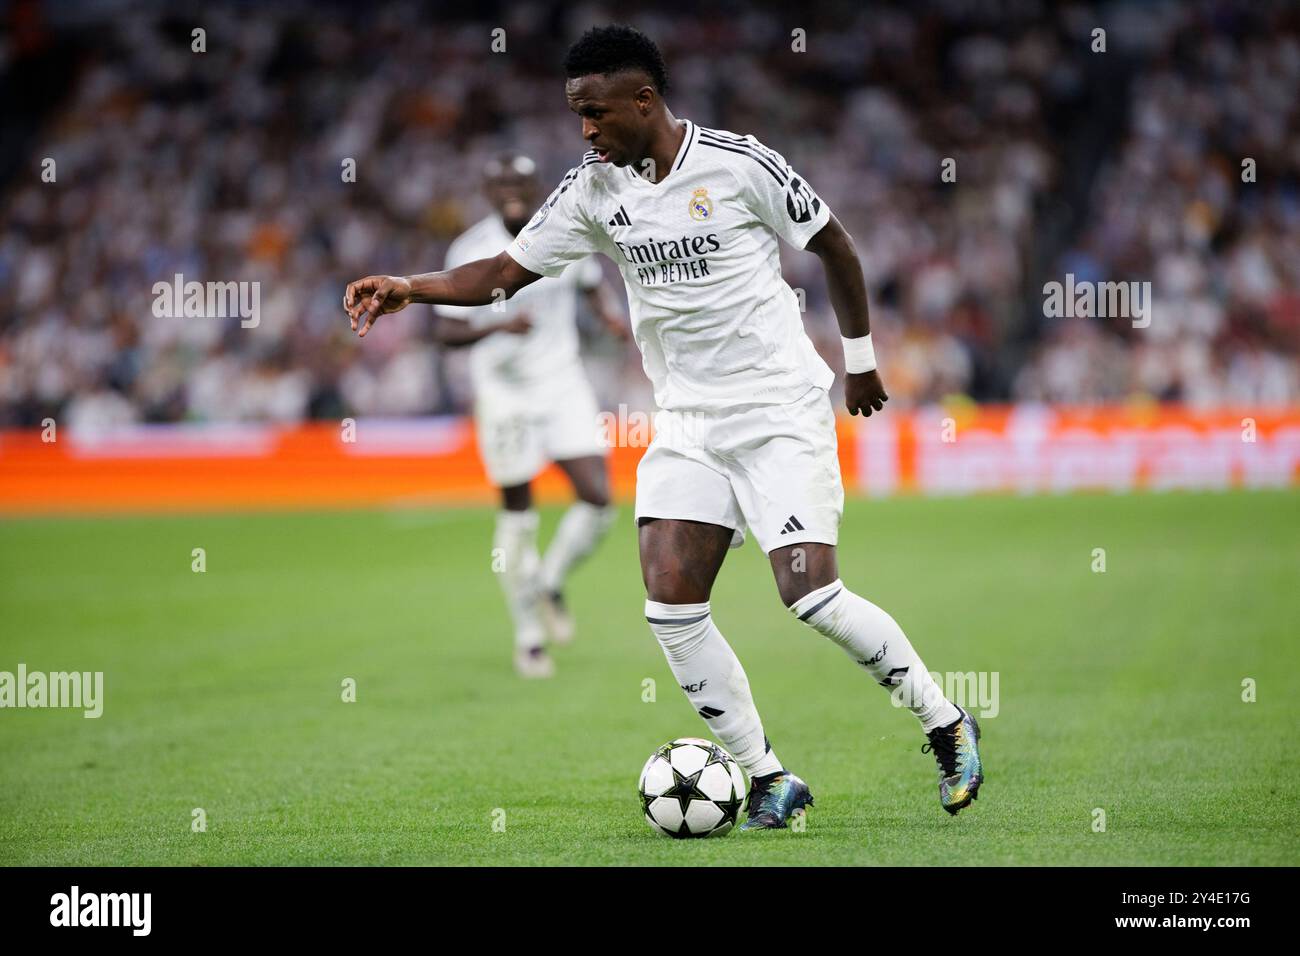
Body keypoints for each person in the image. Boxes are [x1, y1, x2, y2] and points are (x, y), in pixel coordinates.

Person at [344, 25, 984, 827]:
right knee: (671, 609)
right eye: (577, 114)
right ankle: (768, 777)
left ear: (643, 100)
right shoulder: (592, 190)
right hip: (686, 421)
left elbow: (837, 247)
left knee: (810, 596)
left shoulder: (738, 163)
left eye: (595, 112)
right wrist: (413, 285)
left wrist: (859, 361)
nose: (585, 130)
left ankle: (945, 721)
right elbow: (506, 273)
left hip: (778, 409)